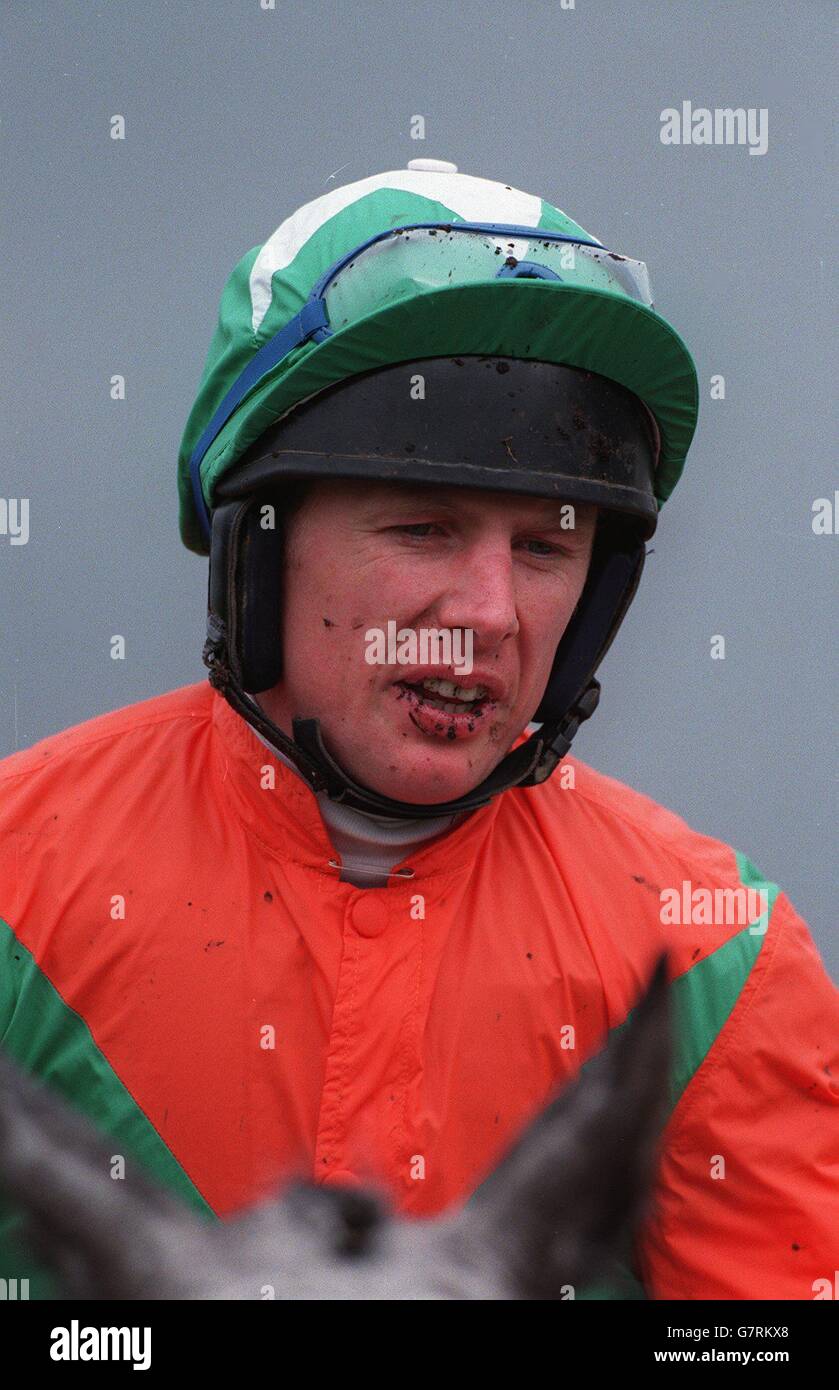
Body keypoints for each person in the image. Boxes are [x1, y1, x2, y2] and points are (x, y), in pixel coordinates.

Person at [1, 161, 835, 1300]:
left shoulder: (718, 961)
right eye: (424, 526)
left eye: (544, 548)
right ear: (259, 553)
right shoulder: (15, 886)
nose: (488, 614)